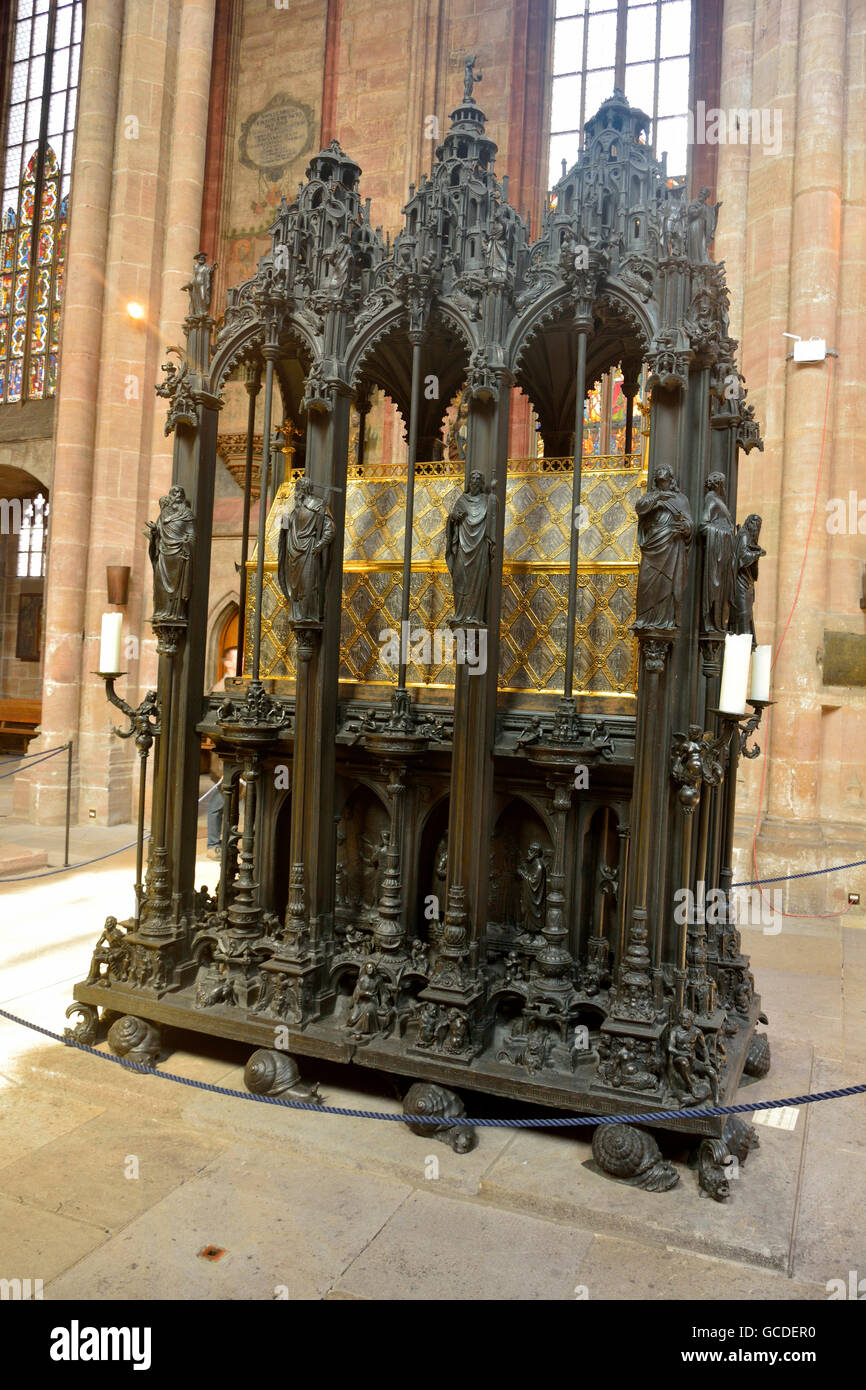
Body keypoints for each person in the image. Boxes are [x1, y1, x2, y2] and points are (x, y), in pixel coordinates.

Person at [206, 646, 237, 860]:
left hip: (238, 751)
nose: (242, 662)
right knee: (219, 801)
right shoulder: (220, 688)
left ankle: (229, 841)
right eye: (237, 659)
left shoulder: (238, 686)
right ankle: (212, 844)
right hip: (224, 753)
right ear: (227, 663)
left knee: (234, 800)